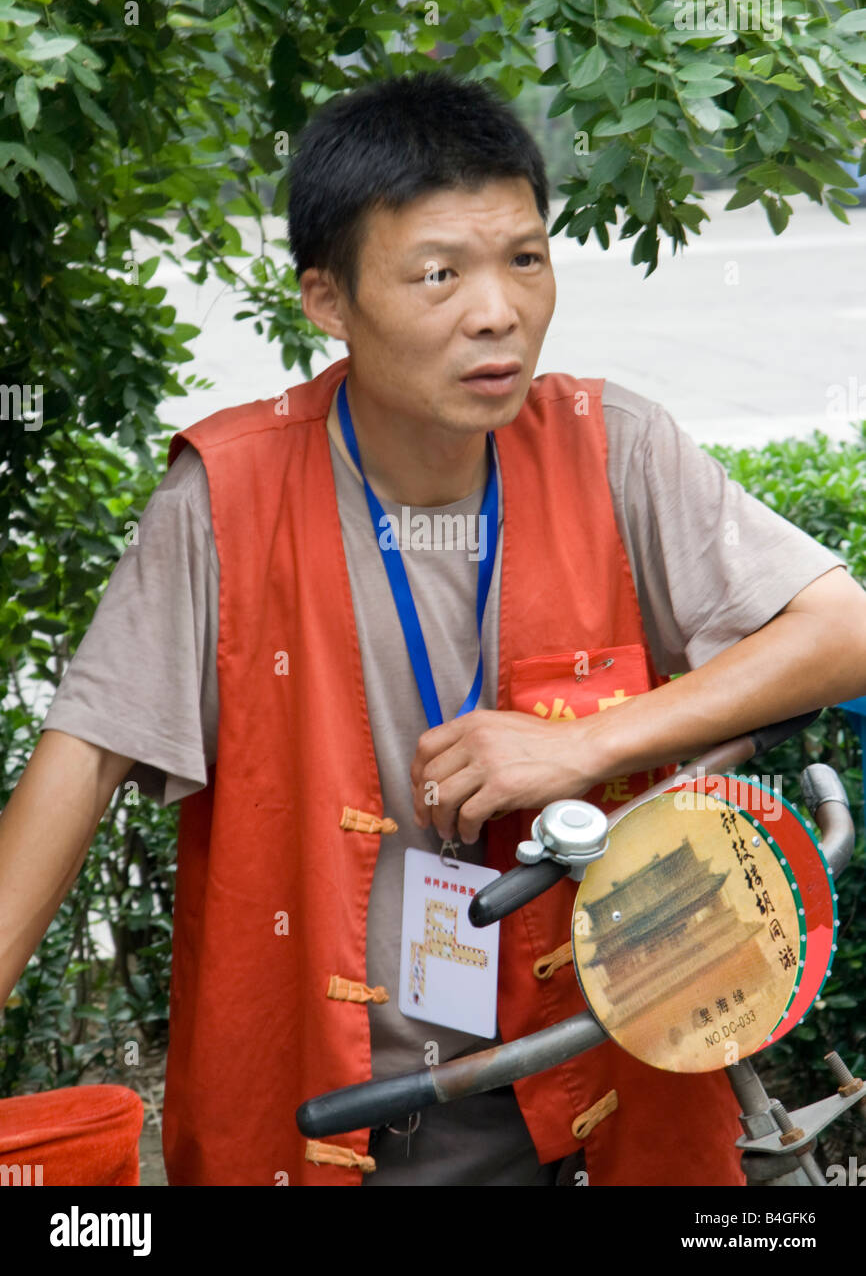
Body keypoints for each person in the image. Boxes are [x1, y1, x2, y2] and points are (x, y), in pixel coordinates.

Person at [3, 72, 866, 1188]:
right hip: (336, 1115)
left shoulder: (613, 448)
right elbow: (78, 762)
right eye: (437, 273)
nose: (496, 309)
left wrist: (587, 743)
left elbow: (840, 628)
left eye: (523, 257)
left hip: (603, 1087)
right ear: (326, 299)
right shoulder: (225, 497)